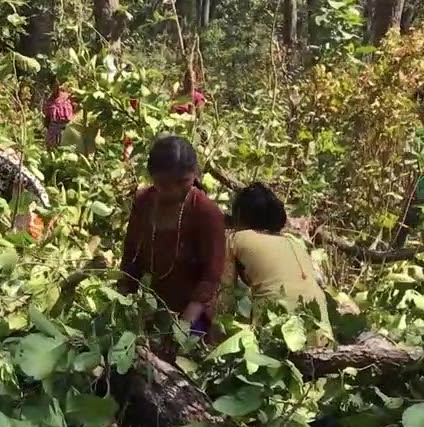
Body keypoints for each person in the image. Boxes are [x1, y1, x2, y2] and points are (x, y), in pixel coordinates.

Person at [119, 135, 225, 336]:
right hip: (151, 306)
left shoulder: (206, 212)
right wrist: (121, 304)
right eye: (165, 183)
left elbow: (211, 277)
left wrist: (182, 329)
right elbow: (131, 257)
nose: (174, 190)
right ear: (152, 177)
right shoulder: (144, 203)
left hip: (194, 311)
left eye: (182, 182)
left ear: (194, 175)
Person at [222, 183, 330, 339]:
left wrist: (212, 339)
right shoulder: (294, 242)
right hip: (320, 328)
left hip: (276, 327)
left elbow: (225, 297)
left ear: (239, 215)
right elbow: (319, 281)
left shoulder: (235, 239)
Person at [43, 82, 74, 147]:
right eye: (53, 88)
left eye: (56, 87)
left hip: (67, 124)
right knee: (52, 145)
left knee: (68, 145)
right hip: (54, 126)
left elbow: (75, 106)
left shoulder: (66, 97)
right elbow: (47, 117)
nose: (55, 89)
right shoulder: (50, 101)